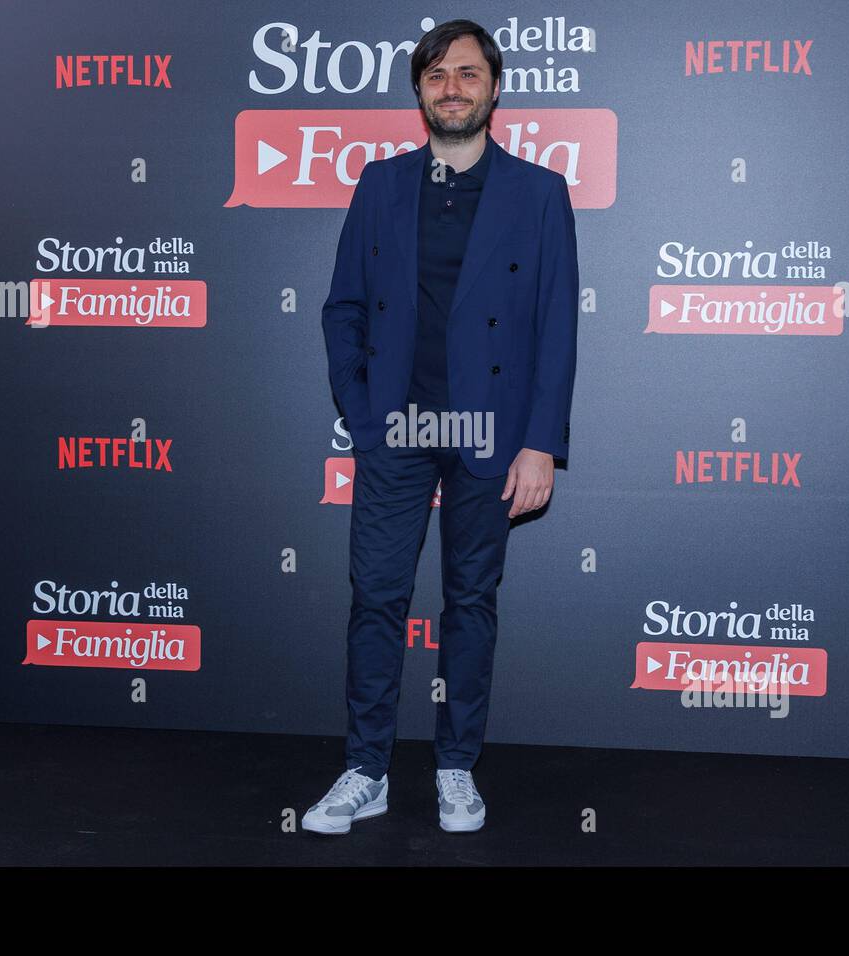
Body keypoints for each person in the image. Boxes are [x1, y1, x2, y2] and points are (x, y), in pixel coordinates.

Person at [304, 18, 579, 835]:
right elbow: (343, 308)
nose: (451, 87)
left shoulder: (539, 192)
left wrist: (541, 442)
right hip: (397, 429)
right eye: (435, 76)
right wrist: (362, 412)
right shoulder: (380, 185)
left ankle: (456, 767)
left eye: (467, 73)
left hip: (492, 436)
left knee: (471, 601)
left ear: (495, 88)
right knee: (377, 599)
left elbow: (556, 326)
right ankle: (366, 769)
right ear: (419, 93)